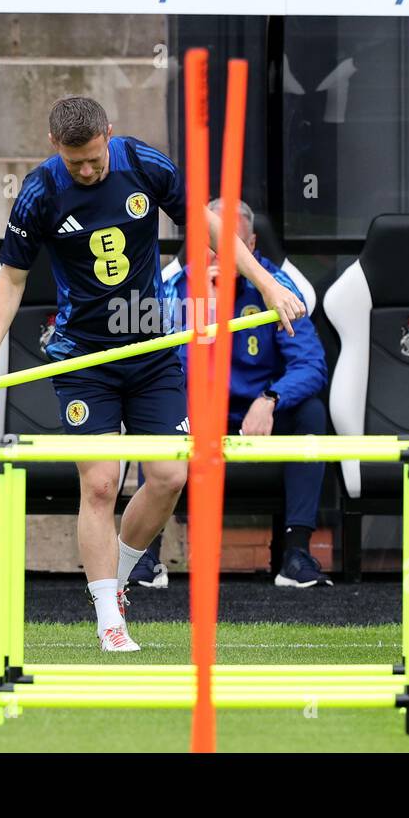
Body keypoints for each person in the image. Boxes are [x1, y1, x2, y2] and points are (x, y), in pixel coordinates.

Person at [0, 96, 305, 652]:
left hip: (151, 350)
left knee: (169, 476)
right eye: (77, 163)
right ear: (56, 147)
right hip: (82, 359)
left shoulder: (145, 163)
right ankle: (107, 620)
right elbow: (12, 279)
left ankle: (117, 581)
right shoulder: (40, 192)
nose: (88, 171)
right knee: (100, 482)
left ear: (109, 136)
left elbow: (208, 225)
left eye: (95, 159)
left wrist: (267, 284)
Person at [153, 200, 331, 588]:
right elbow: (160, 365)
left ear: (250, 244)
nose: (220, 252)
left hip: (256, 410)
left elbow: (311, 364)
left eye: (232, 242)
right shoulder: (172, 288)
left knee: (311, 415)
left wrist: (271, 398)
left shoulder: (276, 288)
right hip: (195, 408)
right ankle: (146, 557)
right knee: (152, 411)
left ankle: (296, 555)